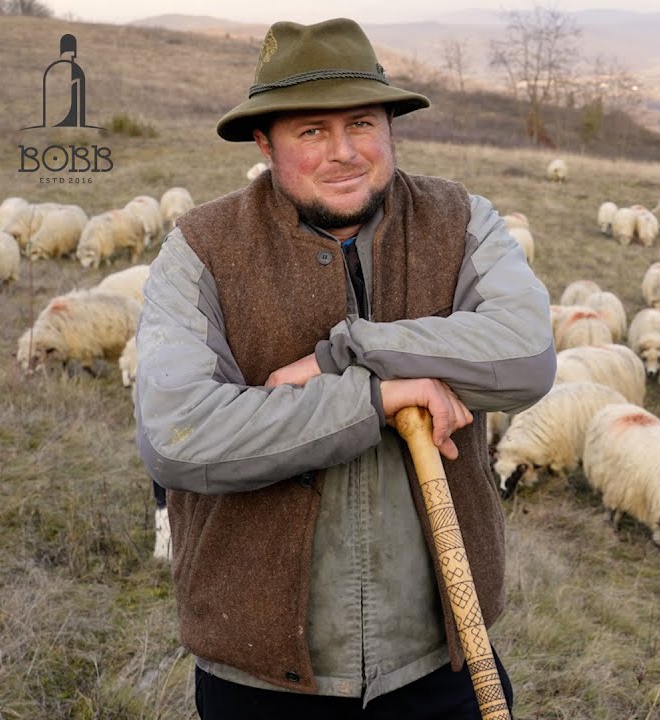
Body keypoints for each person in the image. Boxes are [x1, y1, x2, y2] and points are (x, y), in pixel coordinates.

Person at [133, 17, 555, 718]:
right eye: (310, 131)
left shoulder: (460, 221)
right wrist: (376, 400)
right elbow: (178, 434)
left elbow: (526, 356)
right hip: (262, 677)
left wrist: (345, 351)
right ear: (264, 143)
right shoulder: (202, 250)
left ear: (391, 126)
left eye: (361, 122)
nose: (344, 152)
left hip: (440, 659)